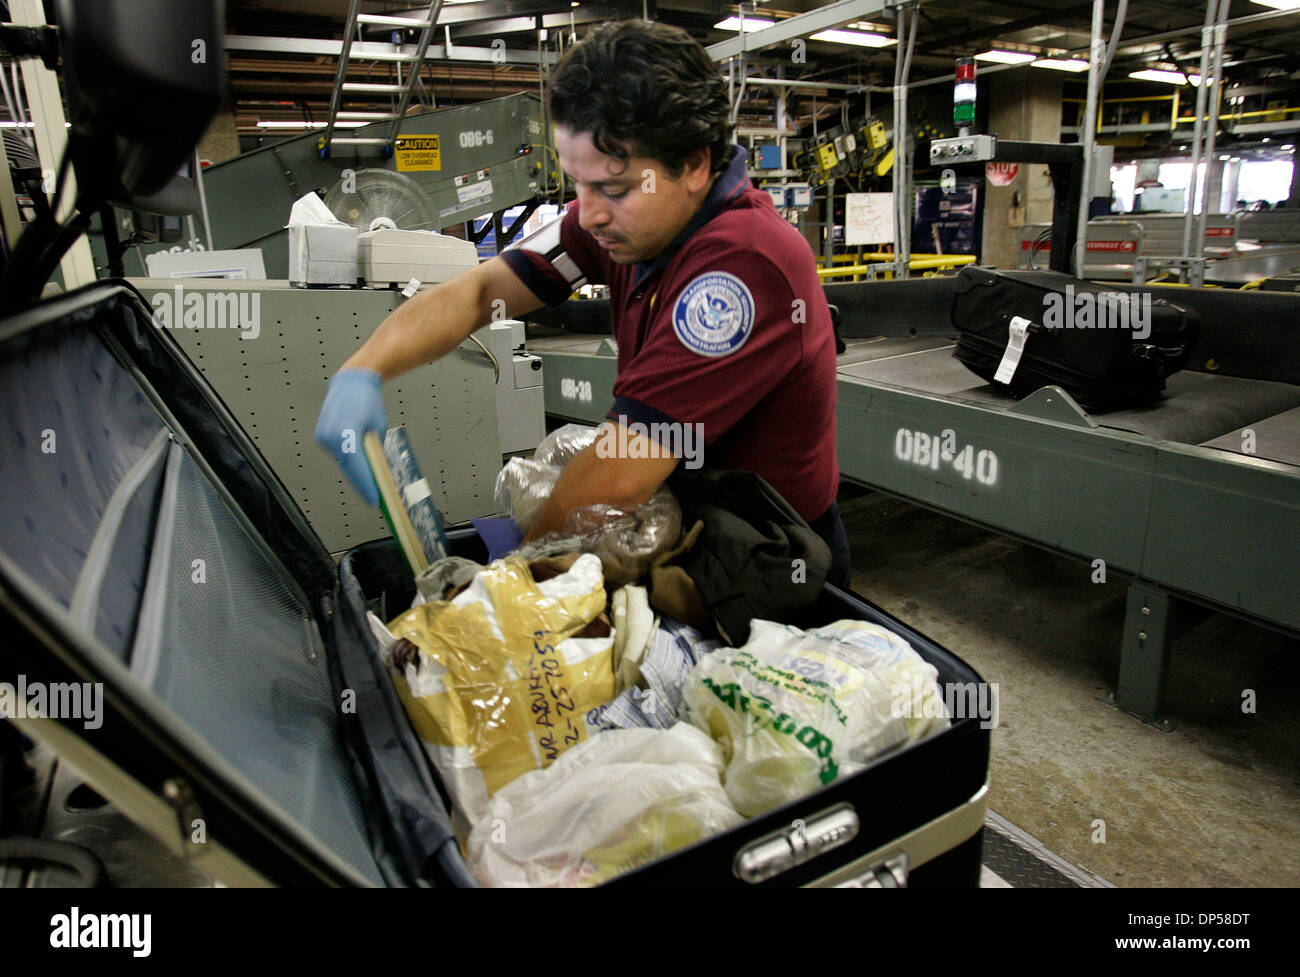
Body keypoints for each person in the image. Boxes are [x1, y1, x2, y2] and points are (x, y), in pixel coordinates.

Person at [315, 19, 850, 585]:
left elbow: (617, 476)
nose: (588, 213)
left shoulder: (743, 267)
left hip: (768, 568)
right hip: (681, 534)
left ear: (693, 165)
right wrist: (361, 371)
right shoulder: (620, 227)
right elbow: (478, 292)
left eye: (614, 189)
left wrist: (509, 582)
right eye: (578, 184)